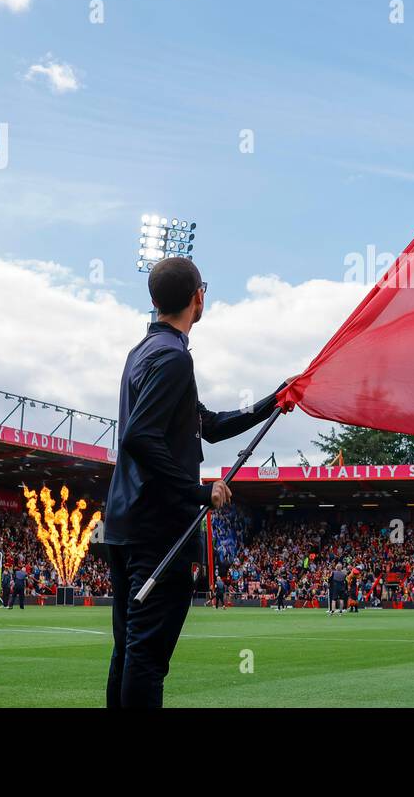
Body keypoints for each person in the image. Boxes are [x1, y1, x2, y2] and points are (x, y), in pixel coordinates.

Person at [102, 256, 283, 709]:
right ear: (198, 297)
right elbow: (139, 437)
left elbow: (209, 424)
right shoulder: (173, 357)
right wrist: (198, 491)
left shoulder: (145, 352)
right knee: (146, 658)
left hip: (127, 524)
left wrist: (274, 401)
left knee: (128, 650)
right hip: (158, 528)